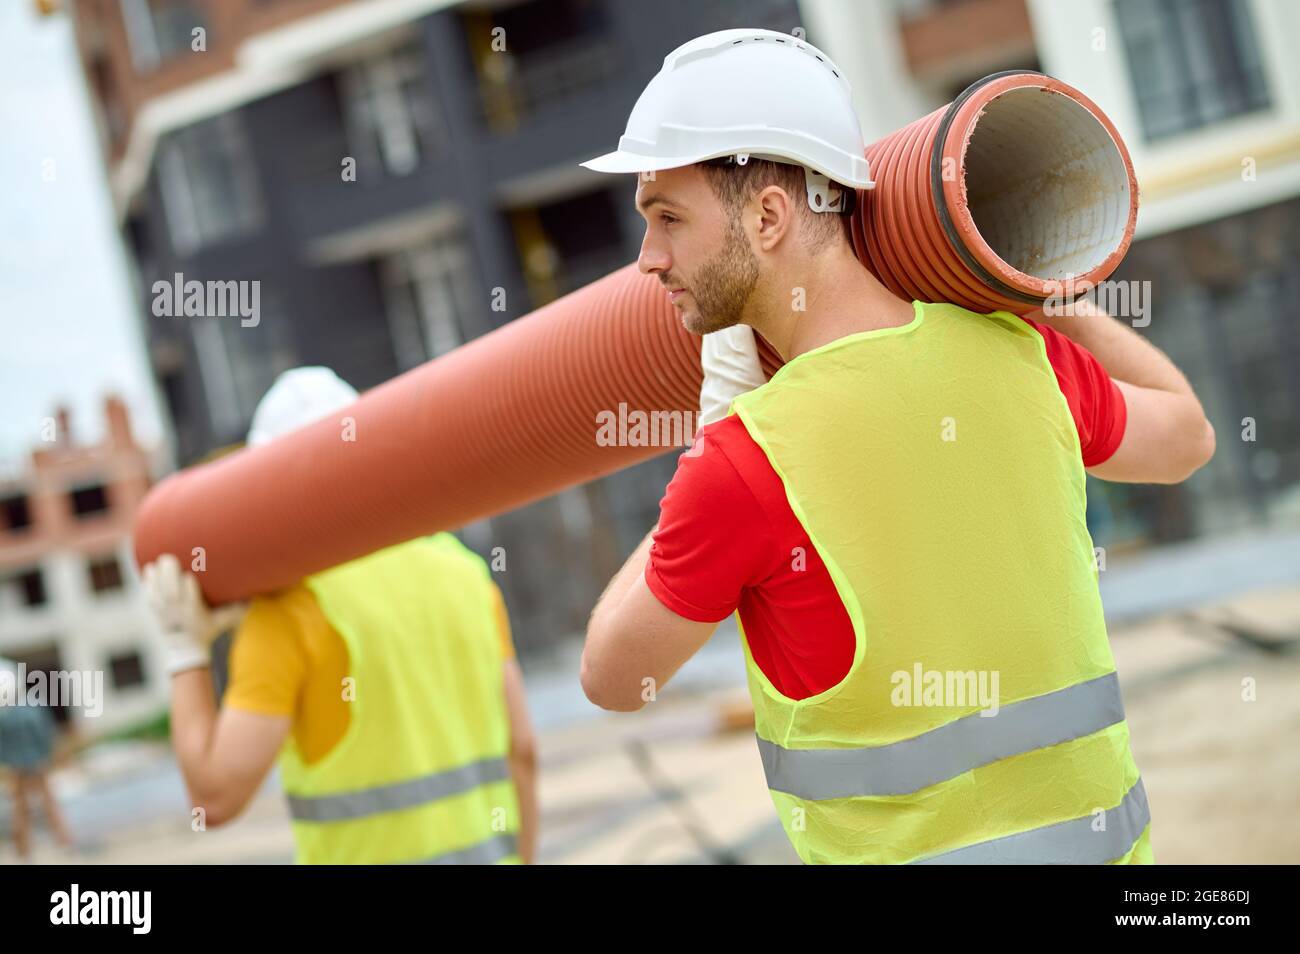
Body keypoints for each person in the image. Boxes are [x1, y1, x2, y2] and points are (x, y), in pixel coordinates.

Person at [578, 29, 1215, 864]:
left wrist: (711, 435)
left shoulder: (743, 462)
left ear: (769, 216)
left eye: (667, 219)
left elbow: (613, 679)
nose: (647, 260)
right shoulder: (1023, 357)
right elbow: (1188, 438)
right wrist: (1035, 281)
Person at [142, 367, 537, 864]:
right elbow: (521, 750)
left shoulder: (289, 610)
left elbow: (215, 799)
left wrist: (185, 651)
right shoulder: (466, 572)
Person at [0, 656, 74, 860]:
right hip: (37, 762)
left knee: (20, 806)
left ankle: (23, 849)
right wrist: (50, 755)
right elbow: (46, 734)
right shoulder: (31, 707)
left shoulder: (3, 717)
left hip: (15, 766)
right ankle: (63, 840)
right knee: (48, 801)